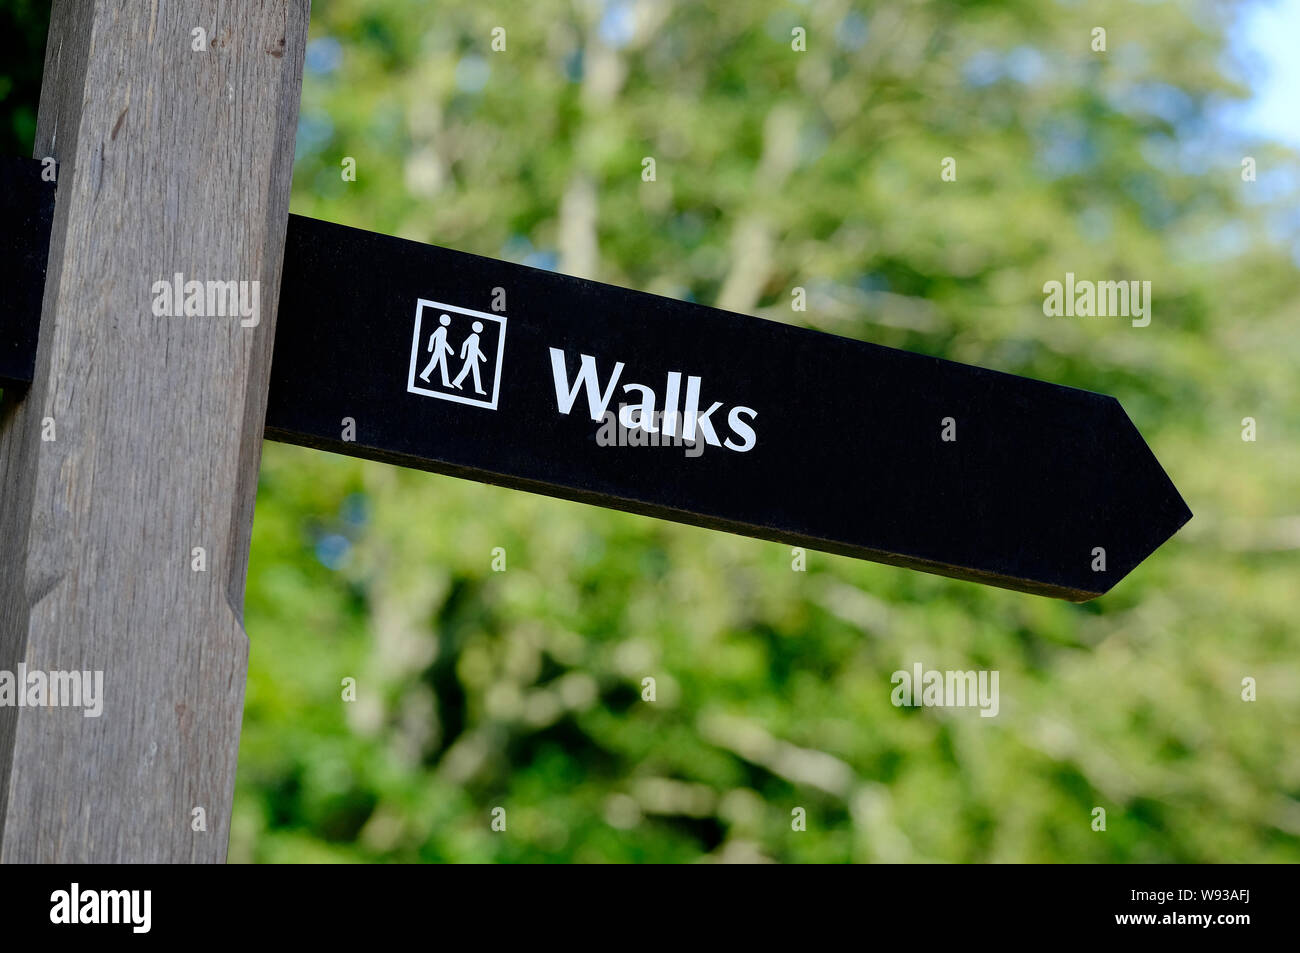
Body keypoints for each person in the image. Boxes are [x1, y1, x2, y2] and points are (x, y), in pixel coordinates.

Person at [452, 321, 488, 395]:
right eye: (480, 327)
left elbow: (476, 348)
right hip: (471, 357)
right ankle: (457, 382)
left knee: (472, 371)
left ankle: (477, 388)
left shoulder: (476, 337)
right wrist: (463, 354)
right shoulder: (474, 336)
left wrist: (482, 356)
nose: (481, 328)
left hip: (473, 357)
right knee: (468, 371)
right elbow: (465, 344)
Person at [418, 314, 455, 386]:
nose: (449, 321)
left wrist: (449, 349)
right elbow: (433, 336)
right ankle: (425, 375)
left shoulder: (443, 329)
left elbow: (443, 341)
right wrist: (430, 347)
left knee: (440, 365)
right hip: (438, 350)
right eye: (448, 320)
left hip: (440, 350)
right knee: (435, 364)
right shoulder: (442, 329)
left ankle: (445, 382)